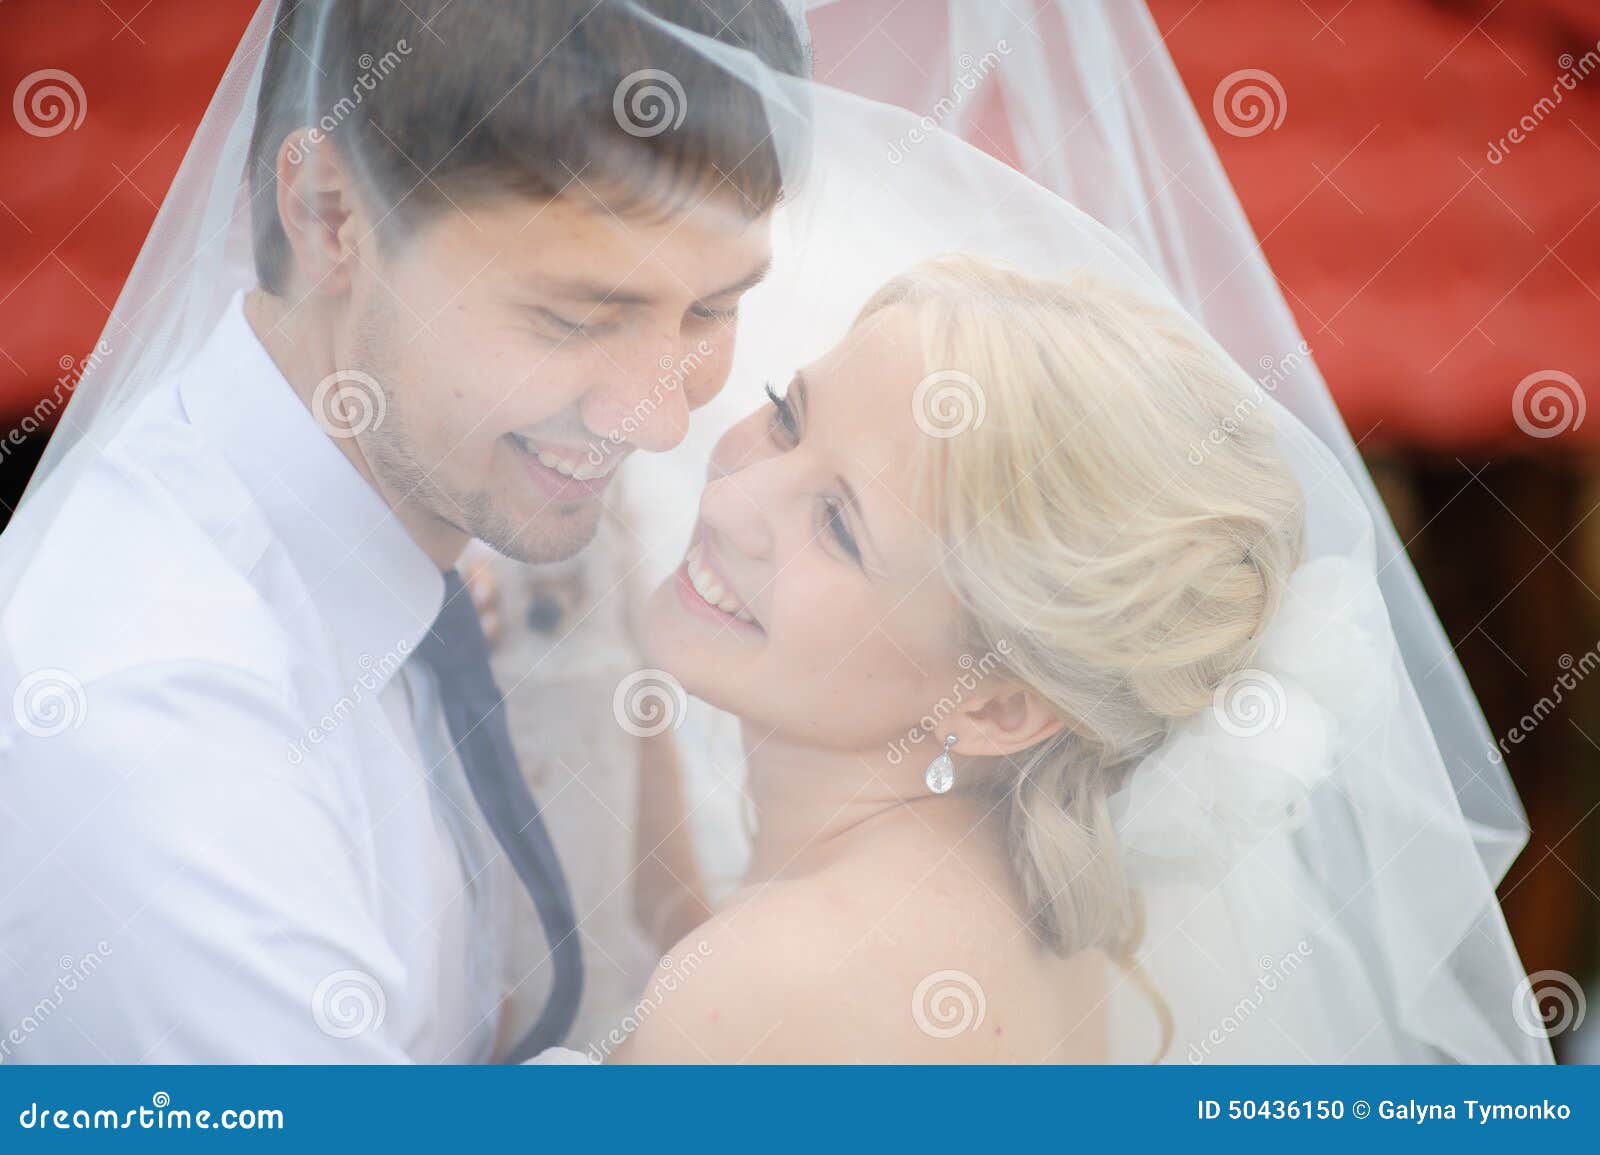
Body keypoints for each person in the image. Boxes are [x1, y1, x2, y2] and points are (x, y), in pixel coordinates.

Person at [0, 0, 805, 1063]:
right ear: (330, 213)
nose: (660, 421)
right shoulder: (162, 732)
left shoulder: (456, 497)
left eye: (711, 310)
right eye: (571, 318)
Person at [608, 255, 1530, 1063]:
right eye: (785, 417)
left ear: (998, 706)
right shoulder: (1034, 916)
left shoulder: (758, 990)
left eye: (840, 527)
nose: (729, 499)